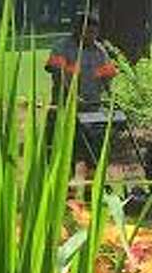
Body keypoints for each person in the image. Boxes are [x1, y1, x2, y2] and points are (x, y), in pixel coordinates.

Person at [45, 10, 119, 167]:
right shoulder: (61, 47)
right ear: (78, 30)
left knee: (96, 149)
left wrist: (112, 97)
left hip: (92, 108)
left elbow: (106, 77)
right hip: (65, 108)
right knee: (64, 151)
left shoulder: (99, 51)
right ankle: (63, 184)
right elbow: (58, 75)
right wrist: (72, 96)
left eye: (94, 32)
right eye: (88, 32)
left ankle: (95, 181)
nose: (92, 36)